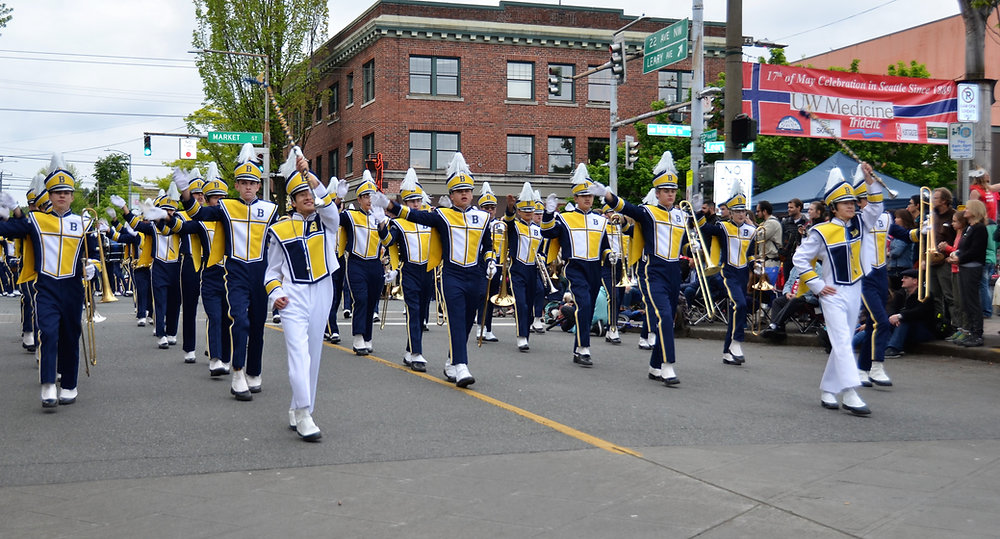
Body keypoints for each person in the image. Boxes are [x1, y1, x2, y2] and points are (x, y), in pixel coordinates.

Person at [374, 152, 494, 388]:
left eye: (468, 190)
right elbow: (414, 216)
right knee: (457, 319)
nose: (464, 194)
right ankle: (461, 366)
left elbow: (488, 245)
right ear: (451, 195)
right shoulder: (442, 215)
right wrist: (390, 206)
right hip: (453, 275)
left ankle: (452, 360)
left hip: (476, 276)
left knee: (469, 320)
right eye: (459, 191)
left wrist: (491, 261)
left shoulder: (483, 217)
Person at [178, 142, 279, 401]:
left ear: (259, 185)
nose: (247, 187)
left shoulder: (270, 210)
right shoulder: (226, 207)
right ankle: (237, 372)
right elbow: (198, 214)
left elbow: (282, 240)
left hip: (261, 273)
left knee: (258, 324)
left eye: (252, 182)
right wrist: (186, 194)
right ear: (236, 185)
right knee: (240, 321)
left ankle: (254, 371)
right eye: (243, 182)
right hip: (234, 271)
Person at [0, 154, 98, 408]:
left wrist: (92, 267)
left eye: (66, 192)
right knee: (49, 332)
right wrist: (8, 212)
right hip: (47, 287)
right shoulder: (36, 220)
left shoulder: (84, 221)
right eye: (56, 192)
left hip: (73, 287)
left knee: (70, 334)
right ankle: (47, 385)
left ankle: (69, 383)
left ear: (73, 196)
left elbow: (95, 252)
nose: (62, 196)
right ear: (50, 196)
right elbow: (9, 229)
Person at [265, 151, 344, 441]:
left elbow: (332, 210)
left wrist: (312, 177)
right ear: (293, 201)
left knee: (314, 354)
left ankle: (298, 408)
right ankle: (306, 413)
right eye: (303, 195)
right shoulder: (280, 230)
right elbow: (271, 272)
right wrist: (276, 294)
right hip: (294, 295)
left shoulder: (327, 222)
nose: (309, 197)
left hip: (323, 289)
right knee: (299, 355)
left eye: (311, 193)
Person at [793, 163, 881, 416]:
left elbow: (875, 206)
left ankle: (829, 389)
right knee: (842, 340)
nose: (852, 206)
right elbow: (800, 259)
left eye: (853, 202)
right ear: (833, 207)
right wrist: (818, 285)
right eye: (845, 203)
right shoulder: (821, 231)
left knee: (843, 340)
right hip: (833, 292)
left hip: (855, 290)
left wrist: (869, 179)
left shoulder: (860, 224)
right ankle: (851, 391)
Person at [602, 152, 685, 384]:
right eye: (665, 191)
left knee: (666, 319)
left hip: (674, 271)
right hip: (653, 271)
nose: (670, 194)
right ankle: (668, 366)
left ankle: (655, 366)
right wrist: (608, 196)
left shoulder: (681, 215)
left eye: (673, 191)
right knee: (665, 315)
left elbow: (686, 240)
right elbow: (627, 208)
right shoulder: (648, 212)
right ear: (657, 193)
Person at [542, 163, 611, 368]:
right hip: (575, 267)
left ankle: (577, 348)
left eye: (590, 195)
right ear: (576, 198)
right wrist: (548, 213)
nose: (587, 199)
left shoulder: (600, 220)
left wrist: (610, 255)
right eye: (583, 196)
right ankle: (584, 349)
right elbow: (547, 233)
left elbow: (604, 246)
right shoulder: (565, 219)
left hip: (594, 268)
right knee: (585, 304)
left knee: (588, 310)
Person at [381, 168, 434, 370]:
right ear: (405, 203)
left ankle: (409, 349)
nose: (416, 204)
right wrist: (380, 223)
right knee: (413, 311)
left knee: (421, 313)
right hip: (410, 270)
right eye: (411, 201)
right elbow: (388, 241)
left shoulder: (429, 221)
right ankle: (416, 353)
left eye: (418, 200)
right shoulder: (399, 223)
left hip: (428, 271)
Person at [701, 188, 756, 366]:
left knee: (736, 309)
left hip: (743, 273)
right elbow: (703, 227)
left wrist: (757, 264)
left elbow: (751, 254)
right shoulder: (723, 227)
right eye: (737, 211)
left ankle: (727, 351)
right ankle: (737, 342)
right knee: (740, 304)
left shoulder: (751, 230)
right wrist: (697, 211)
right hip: (728, 271)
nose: (741, 214)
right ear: (730, 213)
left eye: (743, 211)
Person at [853, 172, 893, 386]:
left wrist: (922, 232)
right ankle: (877, 366)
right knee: (881, 321)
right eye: (863, 200)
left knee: (871, 324)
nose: (866, 204)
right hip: (865, 276)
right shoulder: (857, 221)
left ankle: (862, 369)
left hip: (882, 275)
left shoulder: (887, 217)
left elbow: (903, 234)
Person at [340, 170, 387, 355]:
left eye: (371, 196)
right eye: (365, 196)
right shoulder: (351, 216)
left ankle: (367, 336)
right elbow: (332, 217)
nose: (369, 200)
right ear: (358, 199)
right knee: (361, 298)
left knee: (372, 300)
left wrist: (382, 222)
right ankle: (358, 336)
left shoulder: (380, 217)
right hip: (356, 263)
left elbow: (388, 240)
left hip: (375, 264)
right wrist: (338, 199)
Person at [503, 183, 543, 352]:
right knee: (521, 303)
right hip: (517, 268)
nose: (528, 213)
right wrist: (510, 208)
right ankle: (521, 336)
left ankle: (527, 332)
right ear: (519, 211)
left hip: (532, 269)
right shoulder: (514, 226)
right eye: (524, 210)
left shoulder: (538, 229)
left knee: (531, 302)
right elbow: (509, 221)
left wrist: (543, 258)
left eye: (530, 210)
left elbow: (542, 250)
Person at [952, 199, 988, 347]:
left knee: (972, 300)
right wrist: (957, 254)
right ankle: (971, 331)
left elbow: (975, 250)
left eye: (968, 208)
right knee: (966, 300)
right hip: (965, 266)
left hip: (972, 267)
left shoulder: (979, 228)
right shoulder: (969, 228)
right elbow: (965, 247)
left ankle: (977, 333)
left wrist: (959, 258)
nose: (965, 210)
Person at [884, 268, 936, 358]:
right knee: (887, 321)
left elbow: (919, 312)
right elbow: (892, 308)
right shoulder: (901, 294)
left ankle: (894, 348)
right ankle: (887, 345)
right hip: (904, 329)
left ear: (915, 281)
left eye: (906, 278)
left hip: (922, 330)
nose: (902, 280)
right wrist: (893, 317)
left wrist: (900, 316)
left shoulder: (925, 295)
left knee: (904, 320)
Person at [473, 182, 502, 343]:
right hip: (480, 262)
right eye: (486, 208)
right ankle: (480, 327)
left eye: (492, 208)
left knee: (492, 296)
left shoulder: (500, 225)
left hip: (496, 263)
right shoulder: (477, 224)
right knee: (482, 294)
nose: (490, 211)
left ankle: (488, 328)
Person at [938, 210, 968, 342]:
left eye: (955, 221)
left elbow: (961, 251)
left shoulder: (964, 235)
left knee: (961, 301)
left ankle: (965, 328)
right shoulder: (957, 234)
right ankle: (958, 327)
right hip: (954, 269)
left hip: (961, 270)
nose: (952, 223)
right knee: (956, 301)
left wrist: (948, 249)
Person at [755, 200, 782, 286]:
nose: (756, 213)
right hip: (766, 262)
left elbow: (759, 237)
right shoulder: (765, 223)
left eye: (758, 211)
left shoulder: (771, 223)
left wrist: (751, 225)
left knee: (769, 290)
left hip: (771, 262)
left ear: (765, 211)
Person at [780, 198, 808, 281]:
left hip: (801, 259)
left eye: (791, 207)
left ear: (798, 208)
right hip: (787, 258)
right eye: (788, 207)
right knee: (787, 282)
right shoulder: (785, 222)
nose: (789, 209)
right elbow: (781, 239)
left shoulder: (806, 222)